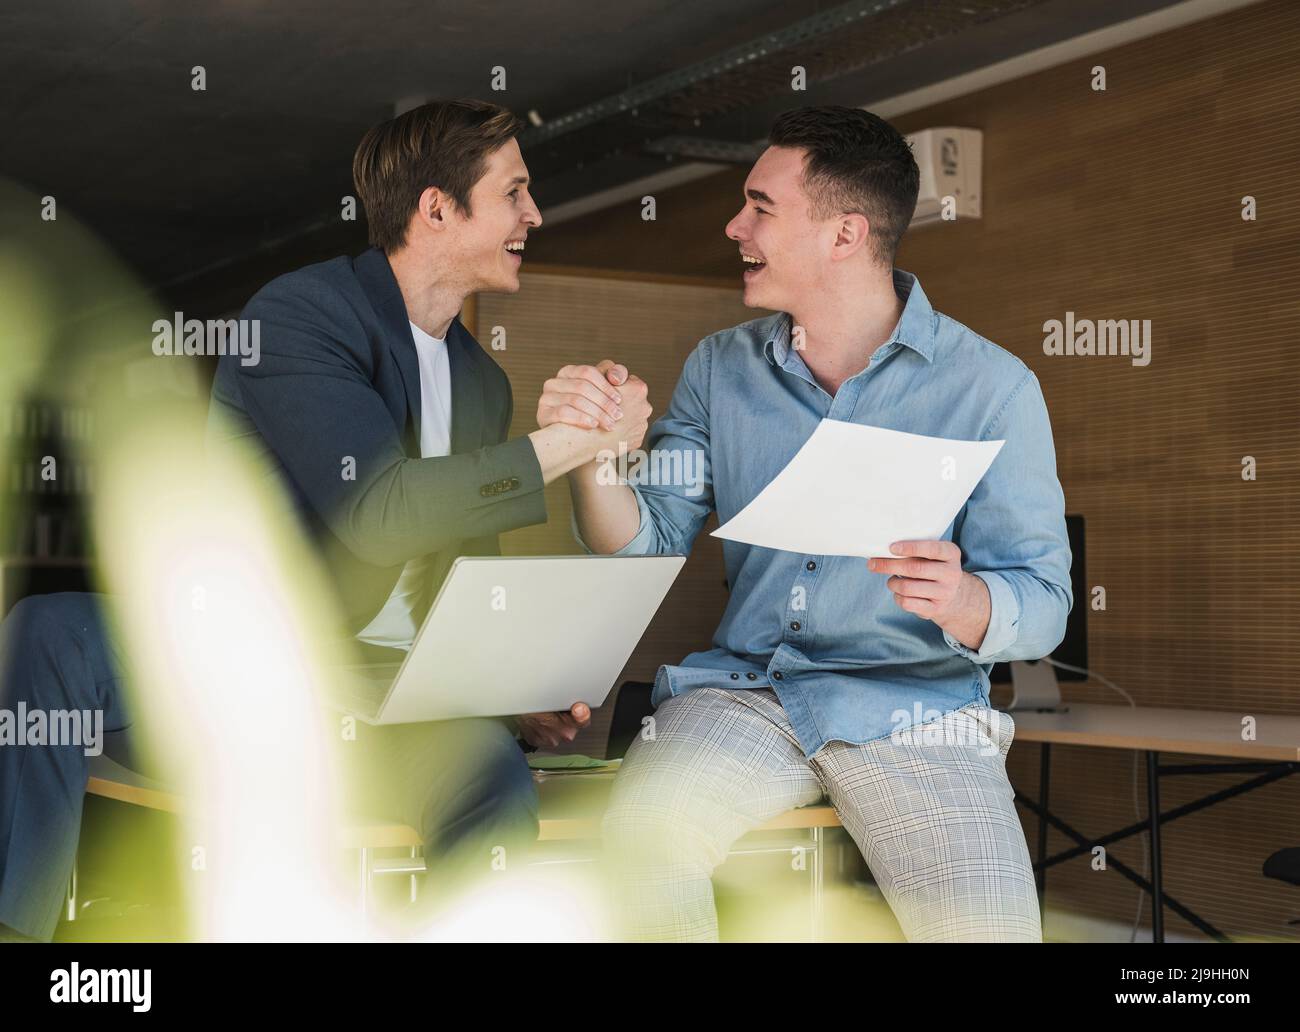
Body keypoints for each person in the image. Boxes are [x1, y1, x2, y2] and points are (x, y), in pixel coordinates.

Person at [0, 98, 653, 942]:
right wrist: (567, 444)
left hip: (387, 699)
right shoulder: (298, 316)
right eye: (515, 193)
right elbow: (375, 511)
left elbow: (465, 564)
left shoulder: (480, 381)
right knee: (49, 630)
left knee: (492, 776)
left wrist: (509, 688)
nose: (535, 214)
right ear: (437, 209)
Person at [538, 106, 1071, 941]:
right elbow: (645, 540)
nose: (733, 225)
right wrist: (592, 459)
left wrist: (966, 599)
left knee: (990, 926)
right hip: (748, 693)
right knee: (641, 839)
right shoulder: (720, 369)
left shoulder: (994, 388)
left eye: (760, 207)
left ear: (845, 234)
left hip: (918, 708)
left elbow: (1043, 600)